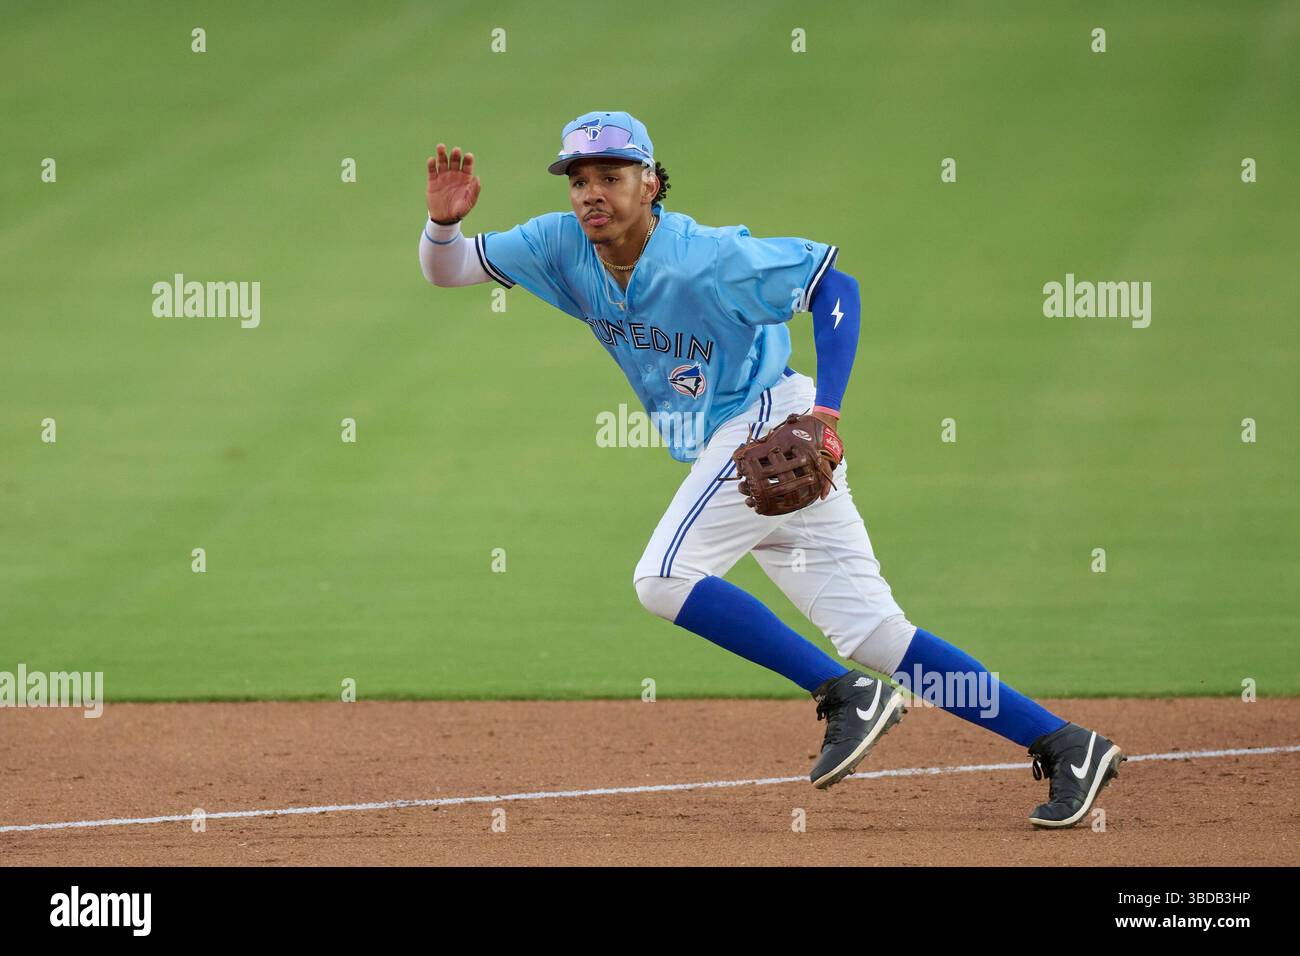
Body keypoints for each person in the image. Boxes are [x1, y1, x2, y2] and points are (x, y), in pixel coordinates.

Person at [419, 110, 1124, 828]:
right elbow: (447, 269)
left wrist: (826, 416)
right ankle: (1066, 744)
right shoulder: (557, 244)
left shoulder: (709, 257)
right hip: (750, 450)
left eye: (610, 175)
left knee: (663, 578)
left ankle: (845, 695)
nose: (590, 193)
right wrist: (443, 224)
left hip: (767, 422)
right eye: (578, 179)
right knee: (877, 634)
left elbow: (836, 289)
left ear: (650, 182)